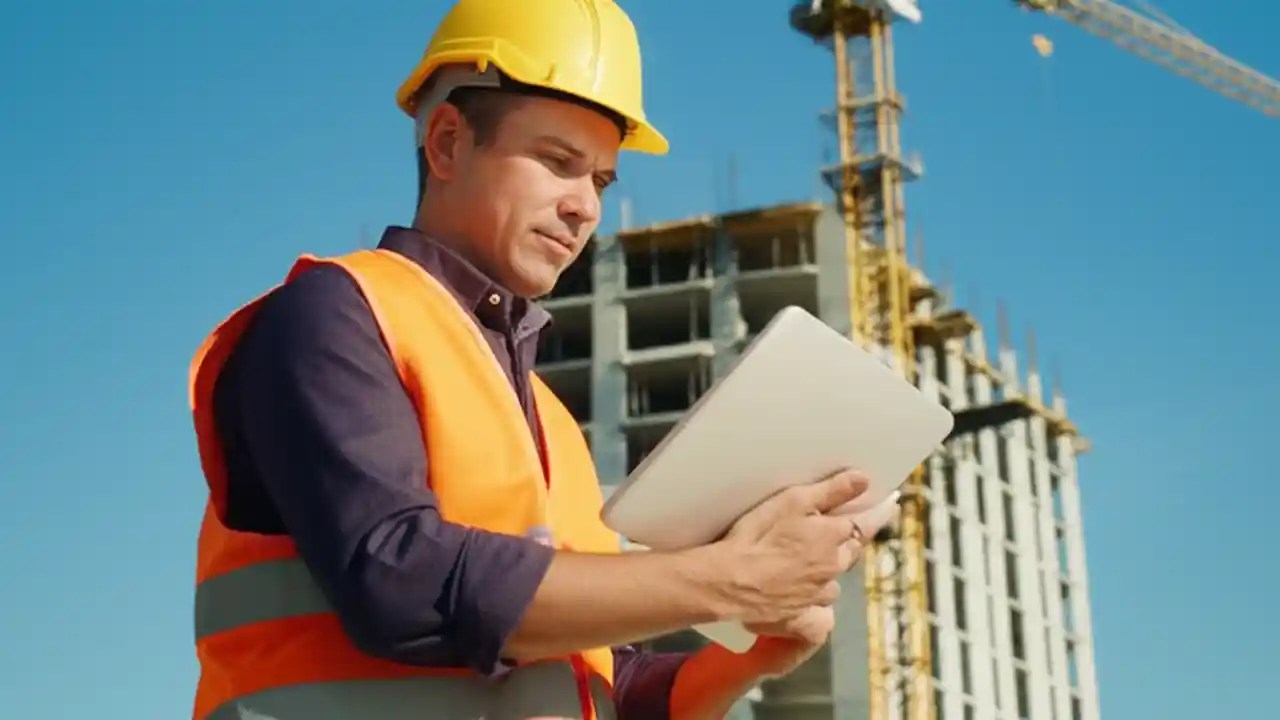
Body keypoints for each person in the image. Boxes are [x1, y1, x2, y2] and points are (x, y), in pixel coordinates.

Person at [186, 0, 902, 718]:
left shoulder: (549, 419)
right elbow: (398, 578)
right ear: (446, 143)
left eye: (601, 181)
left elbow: (601, 679)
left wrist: (757, 649)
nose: (584, 207)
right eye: (559, 163)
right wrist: (728, 578)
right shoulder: (334, 312)